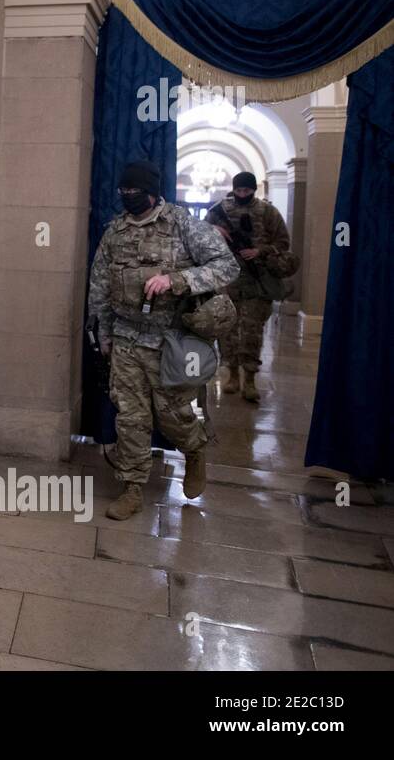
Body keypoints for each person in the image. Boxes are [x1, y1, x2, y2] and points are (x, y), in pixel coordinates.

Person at [87, 160, 239, 520]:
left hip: (171, 338)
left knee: (171, 414)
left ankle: (194, 449)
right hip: (125, 338)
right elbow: (100, 286)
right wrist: (103, 334)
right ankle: (132, 487)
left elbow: (226, 265)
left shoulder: (181, 223)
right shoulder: (115, 232)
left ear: (153, 193)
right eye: (123, 192)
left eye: (135, 192)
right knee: (131, 416)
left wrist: (178, 280)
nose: (128, 197)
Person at [204, 172, 294, 403]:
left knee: (252, 331)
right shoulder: (219, 210)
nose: (242, 195)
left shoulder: (268, 212)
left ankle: (250, 379)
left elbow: (283, 243)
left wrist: (259, 251)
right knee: (228, 331)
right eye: (239, 191)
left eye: (247, 191)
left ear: (254, 189)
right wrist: (215, 231)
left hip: (257, 280)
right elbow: (199, 236)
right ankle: (232, 375)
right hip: (228, 280)